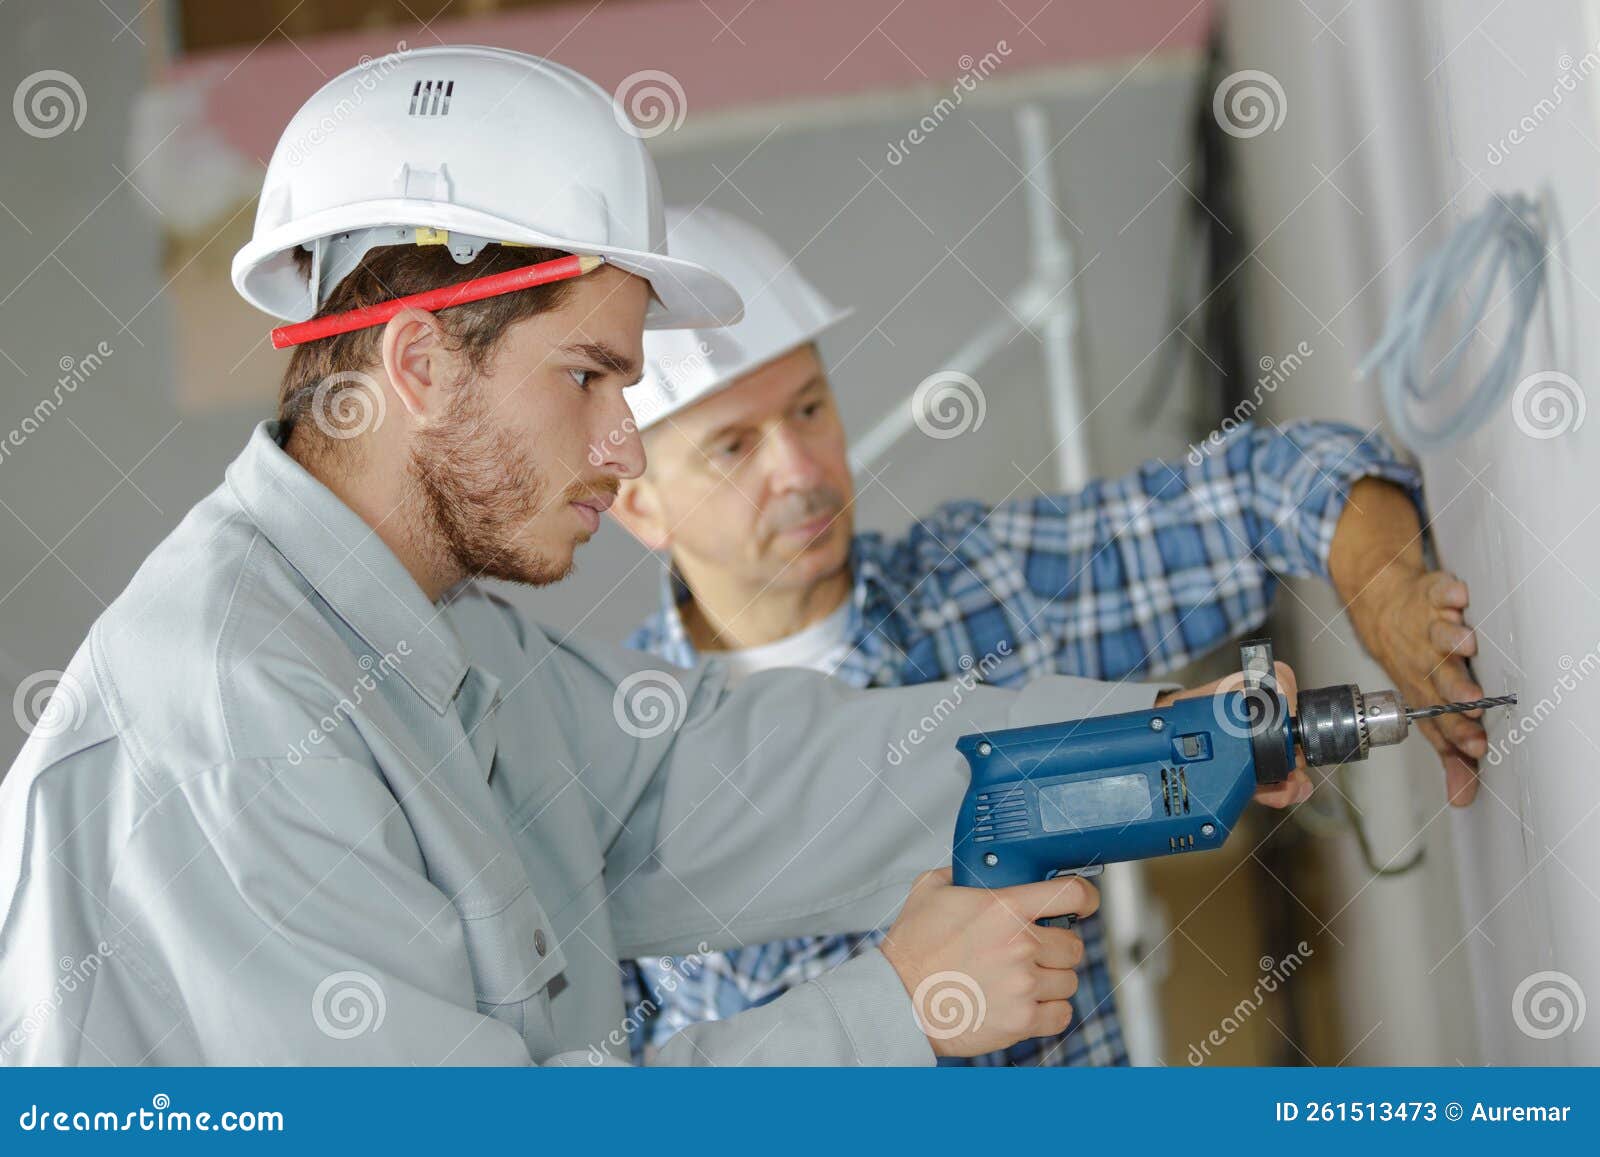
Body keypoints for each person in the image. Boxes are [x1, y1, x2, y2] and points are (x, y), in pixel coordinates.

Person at [0, 45, 1314, 1068]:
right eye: (587, 377)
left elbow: (731, 783)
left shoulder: (439, 634)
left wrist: (1166, 745)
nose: (625, 449)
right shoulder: (232, 709)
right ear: (417, 364)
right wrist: (893, 1007)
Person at [608, 206, 1487, 1064]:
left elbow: (1275, 484)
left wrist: (1390, 600)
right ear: (637, 500)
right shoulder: (617, 760)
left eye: (807, 409)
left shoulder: (982, 593)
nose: (800, 471)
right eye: (731, 447)